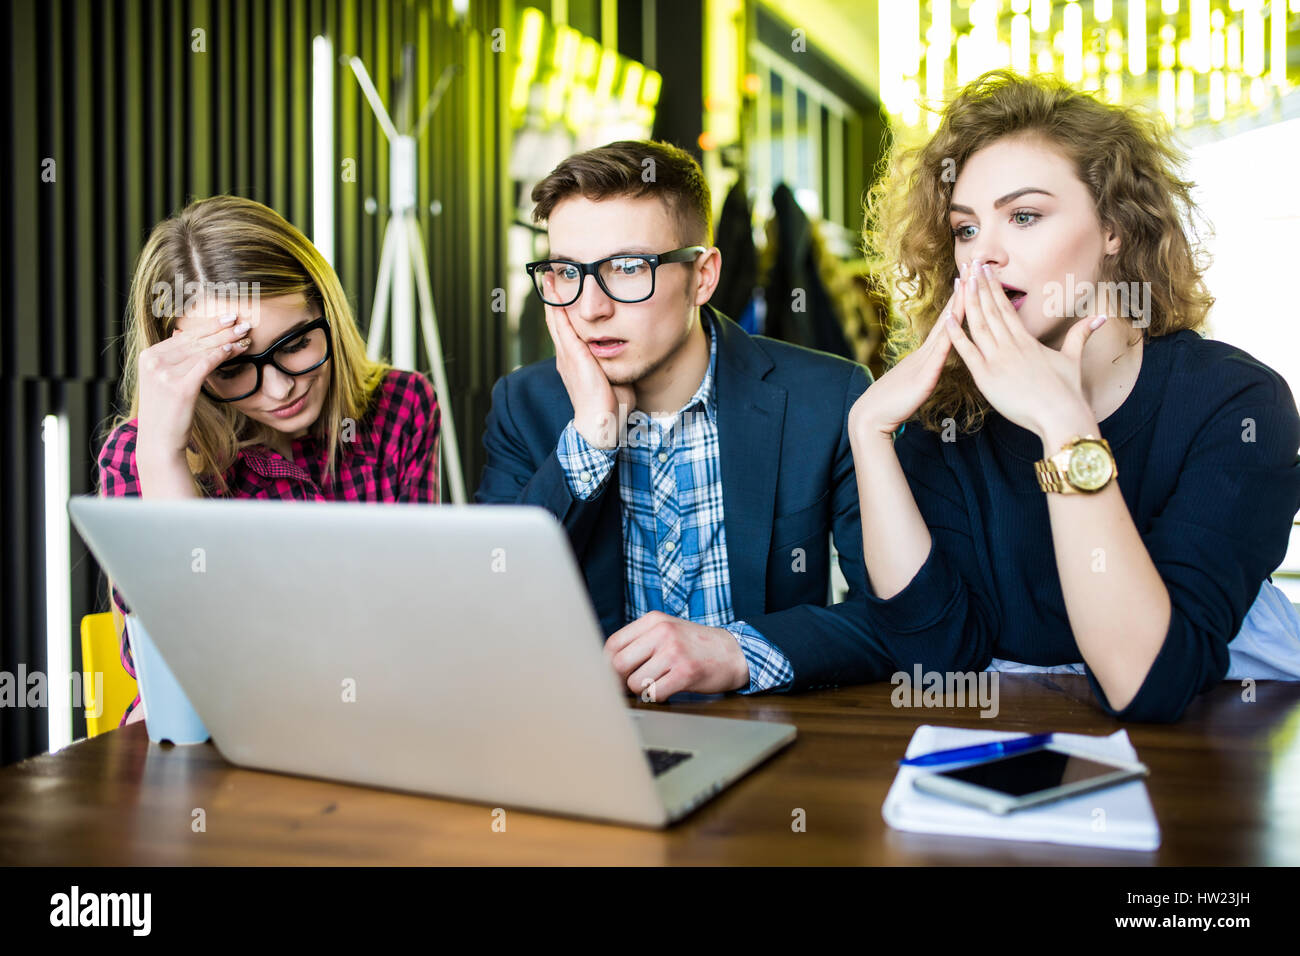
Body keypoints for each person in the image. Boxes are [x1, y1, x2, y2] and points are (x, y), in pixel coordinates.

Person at [850, 70, 1300, 722]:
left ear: (1114, 227)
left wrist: (1065, 423)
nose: (983, 258)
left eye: (1024, 216)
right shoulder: (945, 414)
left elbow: (1148, 682)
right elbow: (936, 665)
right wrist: (868, 431)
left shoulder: (1238, 404)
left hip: (1212, 764)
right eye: (966, 229)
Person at [476, 140, 890, 700]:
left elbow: (900, 621)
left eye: (626, 268)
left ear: (702, 275)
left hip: (775, 744)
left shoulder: (826, 396)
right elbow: (487, 616)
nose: (592, 307)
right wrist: (590, 442)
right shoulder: (523, 406)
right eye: (567, 273)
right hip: (602, 747)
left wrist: (738, 652)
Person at [97, 195, 441, 725]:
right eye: (233, 370)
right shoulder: (135, 456)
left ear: (325, 309)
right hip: (214, 737)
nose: (280, 389)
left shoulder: (401, 405)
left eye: (297, 343)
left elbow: (417, 620)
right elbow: (179, 669)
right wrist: (165, 458)